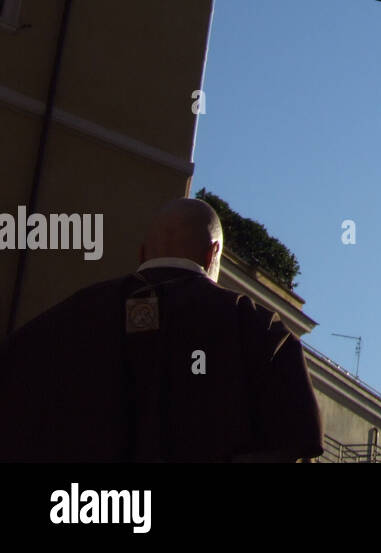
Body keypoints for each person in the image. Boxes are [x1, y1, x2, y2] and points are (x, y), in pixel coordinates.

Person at [0, 197, 323, 463]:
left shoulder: (62, 320)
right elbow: (294, 443)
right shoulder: (259, 328)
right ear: (213, 254)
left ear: (142, 253)